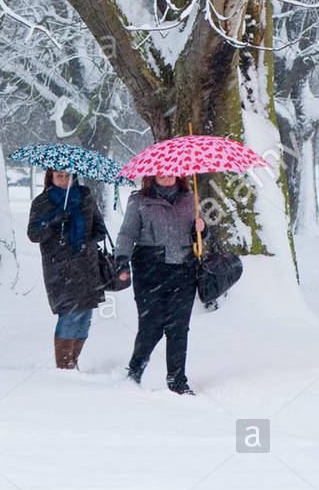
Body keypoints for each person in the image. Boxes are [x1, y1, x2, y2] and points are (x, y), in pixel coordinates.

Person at [114, 174, 206, 395]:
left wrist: (201, 229)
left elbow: (199, 239)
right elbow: (127, 233)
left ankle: (177, 381)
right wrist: (121, 261)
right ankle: (135, 371)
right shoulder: (139, 200)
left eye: (170, 171)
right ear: (152, 174)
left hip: (183, 270)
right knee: (151, 327)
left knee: (178, 328)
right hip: (149, 271)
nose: (166, 176)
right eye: (161, 171)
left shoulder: (190, 198)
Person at [27, 168, 108, 370]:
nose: (63, 180)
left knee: (85, 317)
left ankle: (73, 360)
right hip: (59, 267)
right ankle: (64, 366)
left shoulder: (85, 197)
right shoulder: (42, 202)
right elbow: (34, 234)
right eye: (59, 176)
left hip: (86, 266)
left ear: (75, 177)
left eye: (67, 176)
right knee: (69, 314)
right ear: (50, 177)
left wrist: (92, 238)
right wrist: (53, 222)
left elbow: (100, 226)